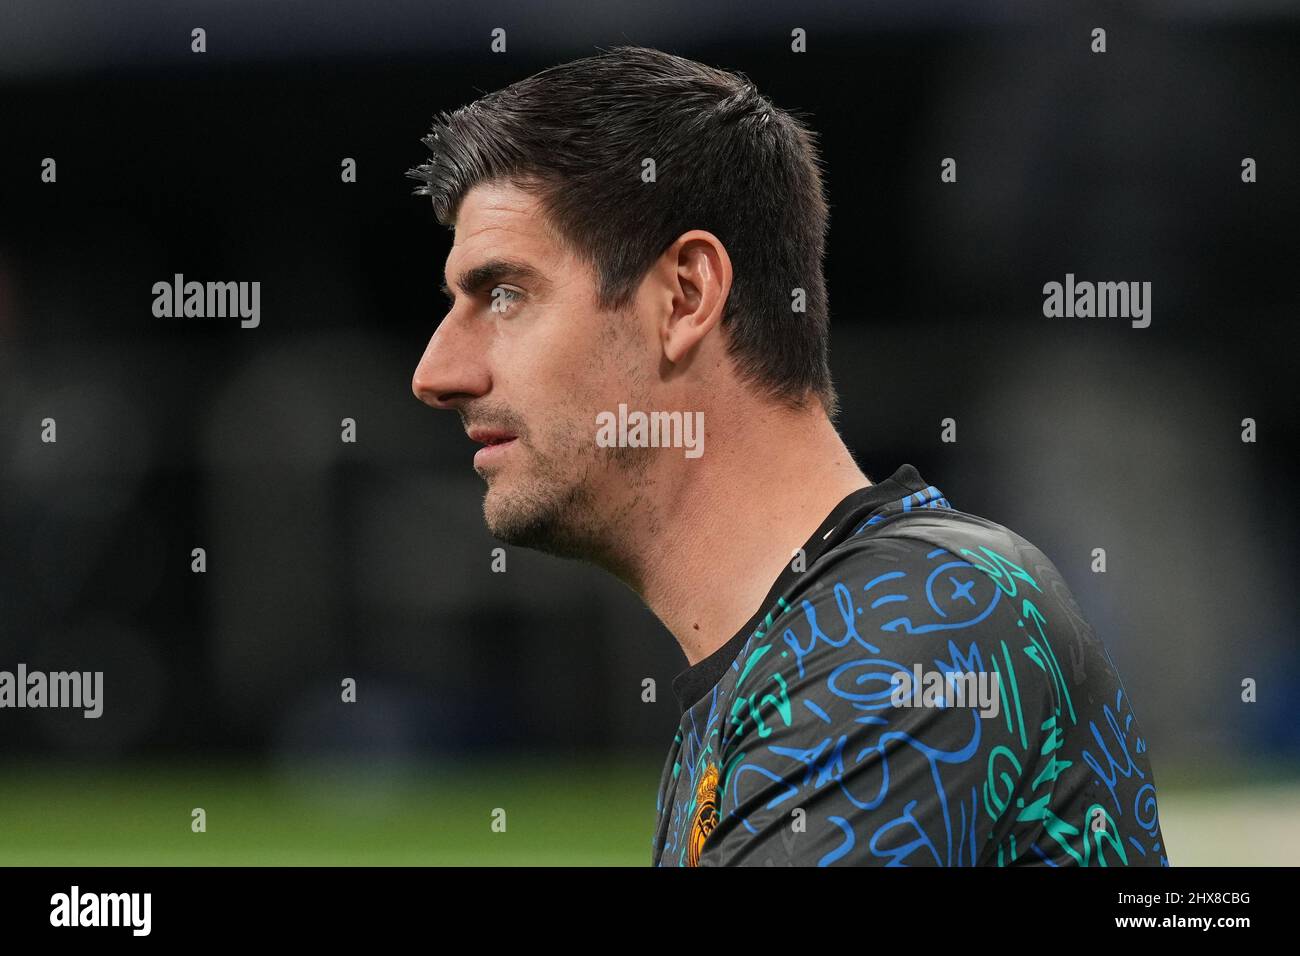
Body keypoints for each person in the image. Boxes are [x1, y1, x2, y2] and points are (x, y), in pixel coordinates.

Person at [407, 45, 1167, 866]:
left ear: (687, 296)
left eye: (506, 294)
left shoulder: (916, 624)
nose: (436, 374)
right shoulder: (787, 661)